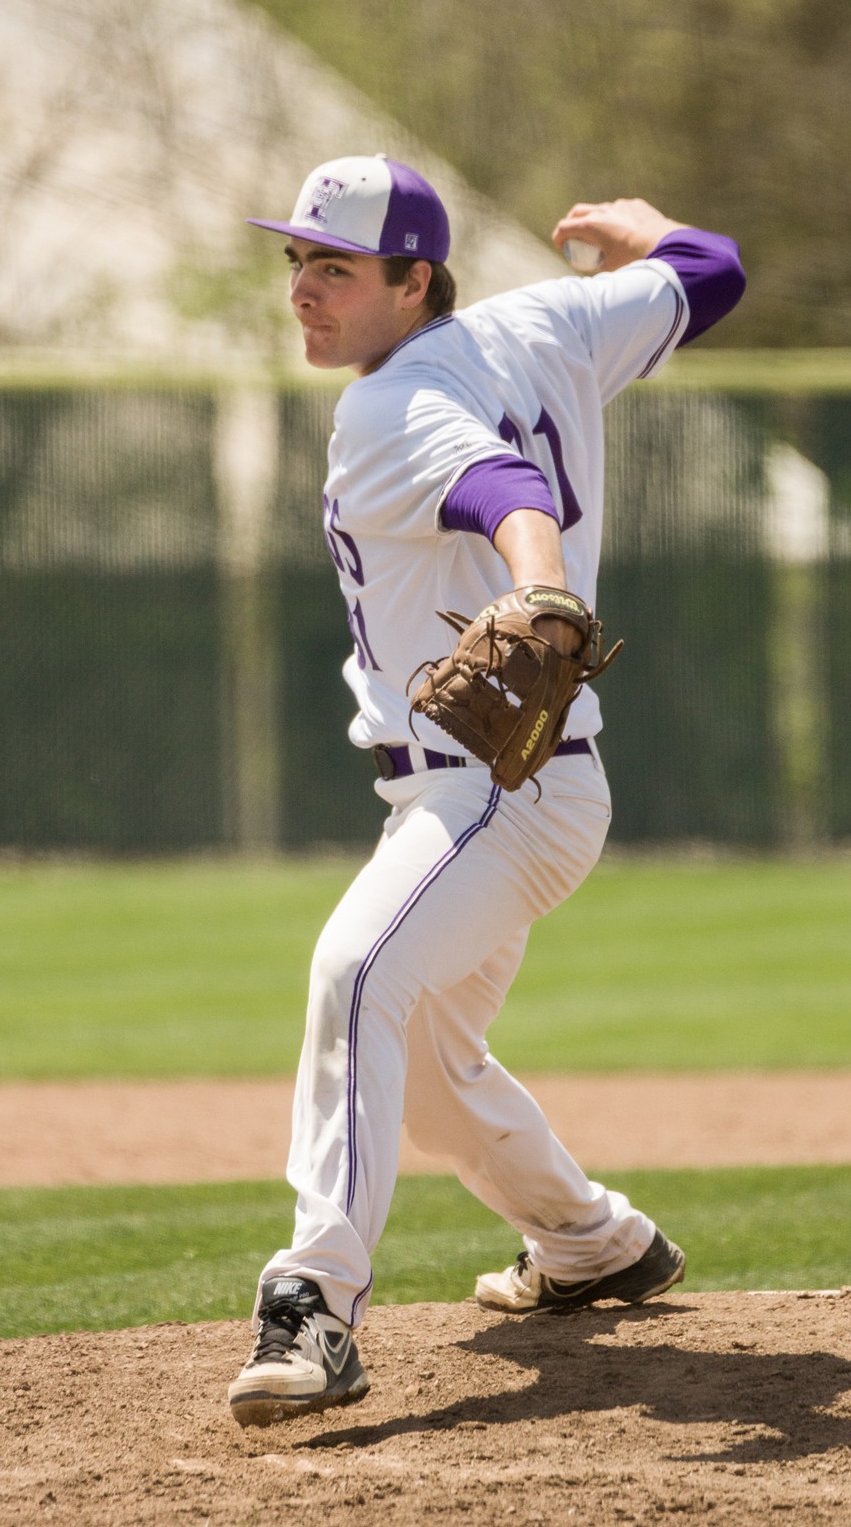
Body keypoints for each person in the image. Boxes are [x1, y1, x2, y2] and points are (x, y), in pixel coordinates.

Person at [229, 154, 745, 1428]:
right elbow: (709, 275)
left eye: (335, 268)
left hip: (489, 792)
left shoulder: (386, 406)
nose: (304, 288)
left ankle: (313, 1304)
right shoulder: (555, 318)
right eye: (296, 260)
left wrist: (540, 588)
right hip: (510, 787)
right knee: (430, 1054)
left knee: (355, 977)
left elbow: (501, 490)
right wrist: (654, 229)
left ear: (414, 281)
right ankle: (591, 1243)